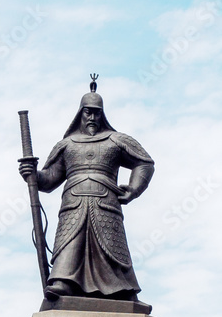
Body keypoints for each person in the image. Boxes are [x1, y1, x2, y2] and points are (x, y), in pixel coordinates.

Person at [18, 77, 155, 302]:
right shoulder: (67, 145)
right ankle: (63, 281)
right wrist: (32, 174)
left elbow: (145, 162)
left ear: (103, 114)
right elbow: (49, 179)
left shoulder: (116, 140)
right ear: (80, 113)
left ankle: (122, 290)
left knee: (112, 247)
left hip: (106, 204)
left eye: (96, 112)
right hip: (73, 203)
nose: (92, 117)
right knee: (70, 242)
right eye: (87, 112)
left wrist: (134, 189)